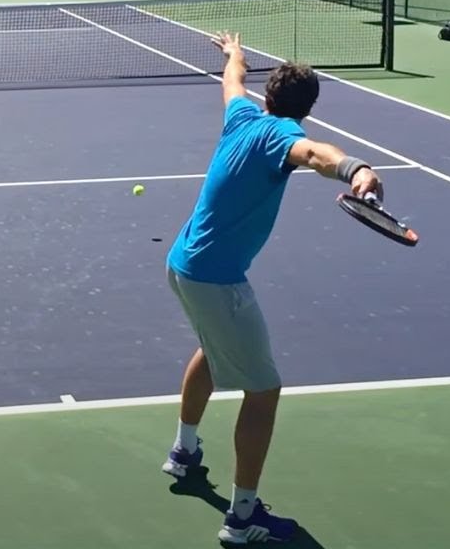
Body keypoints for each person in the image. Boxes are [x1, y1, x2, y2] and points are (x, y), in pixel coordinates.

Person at [161, 31, 384, 544]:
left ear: (269, 94)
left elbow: (232, 80)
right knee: (263, 390)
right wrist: (357, 168)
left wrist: (233, 53)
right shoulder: (283, 135)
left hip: (181, 264)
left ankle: (184, 452)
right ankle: (242, 519)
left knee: (213, 353)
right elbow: (315, 154)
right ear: (307, 108)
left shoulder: (243, 116)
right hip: (215, 278)